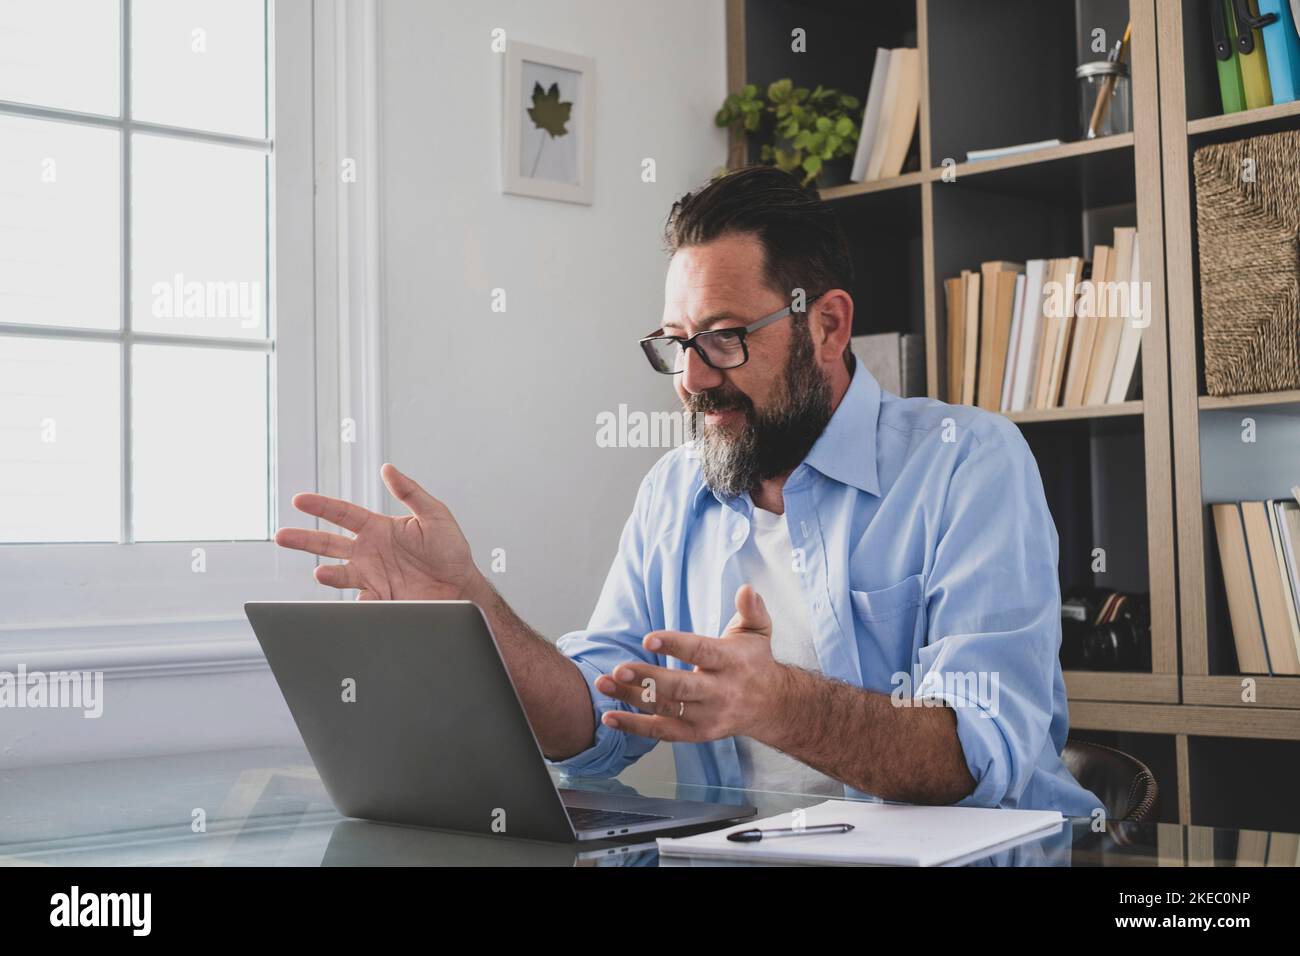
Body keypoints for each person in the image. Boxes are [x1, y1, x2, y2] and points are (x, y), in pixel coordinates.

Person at [275, 165, 1100, 814]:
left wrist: (776, 702)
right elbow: (596, 724)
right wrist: (472, 609)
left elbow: (978, 755)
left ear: (829, 325)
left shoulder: (969, 464)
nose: (694, 379)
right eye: (677, 344)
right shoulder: (676, 491)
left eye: (726, 339)